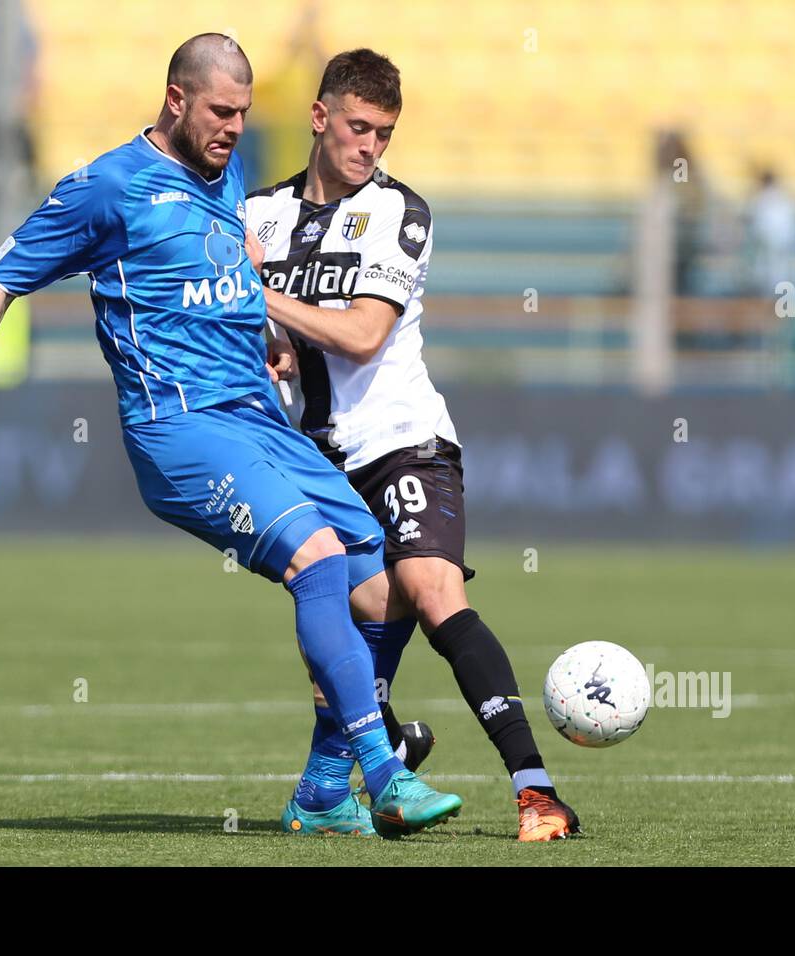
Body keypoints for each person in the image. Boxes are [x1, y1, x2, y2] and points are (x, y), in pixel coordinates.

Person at [0, 34, 462, 839]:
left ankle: (322, 791)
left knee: (381, 589)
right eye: (220, 111)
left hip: (257, 419)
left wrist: (265, 335)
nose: (233, 128)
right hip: (179, 428)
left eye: (244, 114)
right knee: (315, 560)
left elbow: (227, 277)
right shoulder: (105, 188)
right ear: (176, 99)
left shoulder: (224, 172)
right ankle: (384, 771)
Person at [247, 49, 581, 841]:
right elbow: (272, 339)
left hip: (400, 438)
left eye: (385, 134)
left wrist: (255, 292)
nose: (370, 147)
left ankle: (538, 794)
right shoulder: (257, 214)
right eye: (358, 127)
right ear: (320, 117)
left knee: (431, 590)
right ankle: (376, 751)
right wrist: (268, 344)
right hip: (315, 454)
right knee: (343, 607)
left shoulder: (401, 213)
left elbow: (363, 336)